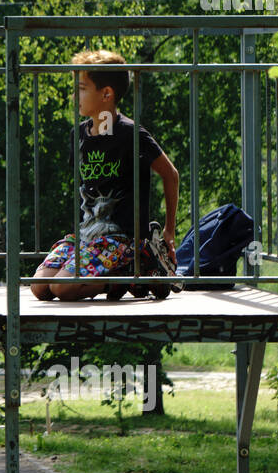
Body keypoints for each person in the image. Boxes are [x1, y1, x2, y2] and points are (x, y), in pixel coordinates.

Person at [31, 49, 180, 300]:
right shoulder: (78, 135)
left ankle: (134, 275)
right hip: (85, 236)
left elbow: (171, 175)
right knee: (40, 288)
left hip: (120, 240)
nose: (75, 95)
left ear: (106, 94)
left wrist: (169, 231)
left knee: (62, 288)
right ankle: (120, 275)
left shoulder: (131, 134)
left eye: (82, 88)